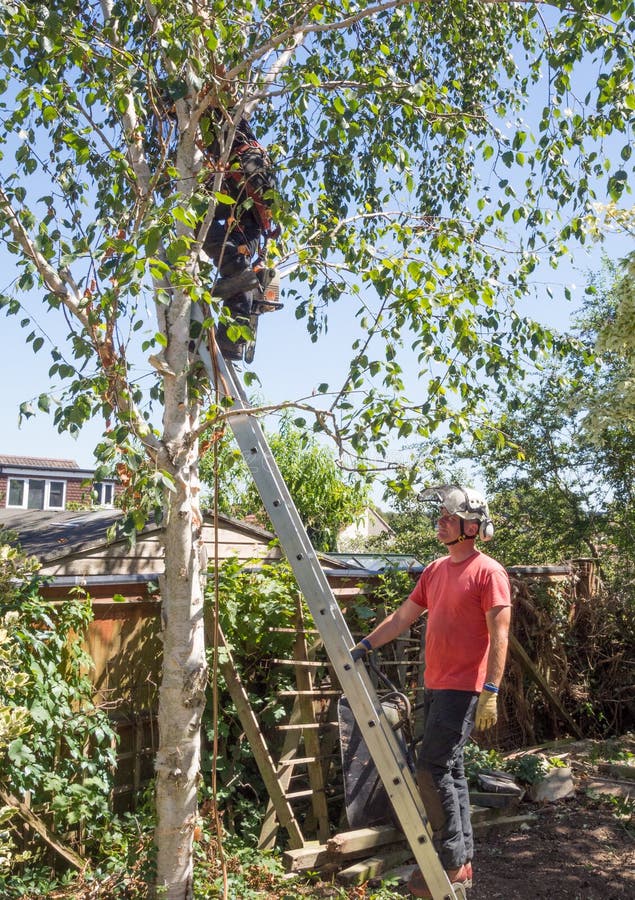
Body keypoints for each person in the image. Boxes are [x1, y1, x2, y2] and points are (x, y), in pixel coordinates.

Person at [351, 485, 511, 898]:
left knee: (431, 770)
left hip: (463, 688)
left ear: (471, 526)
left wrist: (491, 690)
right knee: (451, 771)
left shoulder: (488, 571)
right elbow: (403, 616)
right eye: (440, 516)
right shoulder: (436, 570)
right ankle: (462, 860)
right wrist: (365, 644)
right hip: (436, 685)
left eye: (448, 517)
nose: (439, 522)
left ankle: (450, 861)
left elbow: (501, 634)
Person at [199, 113, 282, 361]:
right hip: (256, 202)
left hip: (241, 177)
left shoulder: (222, 112)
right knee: (242, 269)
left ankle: (236, 273)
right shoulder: (244, 132)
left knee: (191, 210)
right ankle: (231, 344)